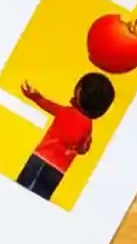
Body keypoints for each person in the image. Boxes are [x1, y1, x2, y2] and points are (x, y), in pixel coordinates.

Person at [15, 72, 115, 201]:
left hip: (40, 157)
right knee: (41, 195)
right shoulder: (88, 126)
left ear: (79, 93)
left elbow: (47, 105)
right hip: (59, 169)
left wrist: (35, 97)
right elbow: (82, 149)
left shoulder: (67, 112)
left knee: (21, 185)